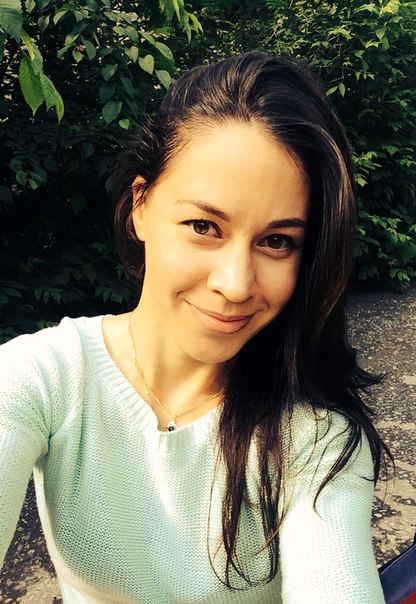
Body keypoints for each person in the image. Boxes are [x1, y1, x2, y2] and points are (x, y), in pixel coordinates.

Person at [0, 52, 389, 603]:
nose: (235, 284)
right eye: (204, 226)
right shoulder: (43, 377)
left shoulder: (314, 436)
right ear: (140, 205)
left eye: (277, 241)